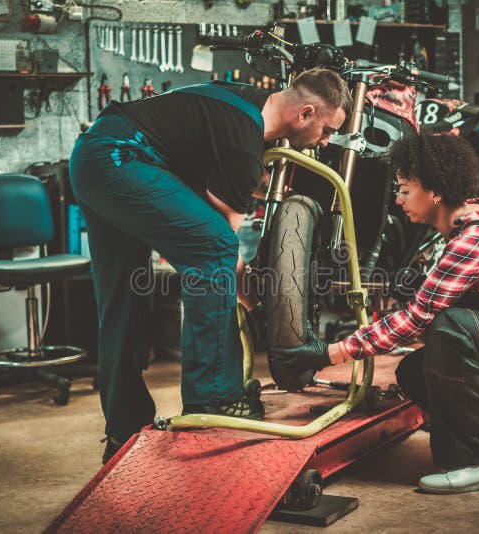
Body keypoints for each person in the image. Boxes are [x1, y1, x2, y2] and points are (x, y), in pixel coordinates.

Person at [271, 133, 479, 494]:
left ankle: (477, 462)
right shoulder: (476, 220)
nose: (397, 199)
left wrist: (328, 353)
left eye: (404, 189)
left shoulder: (473, 238)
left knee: (450, 327)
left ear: (435, 191)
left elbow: (418, 318)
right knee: (415, 372)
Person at [69, 68, 352, 464]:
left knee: (124, 296)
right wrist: (261, 306)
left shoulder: (247, 100)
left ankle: (123, 428)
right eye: (326, 130)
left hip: (93, 157)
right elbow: (222, 250)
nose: (324, 142)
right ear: (305, 113)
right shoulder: (244, 147)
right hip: (121, 157)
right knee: (215, 247)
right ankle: (214, 398)